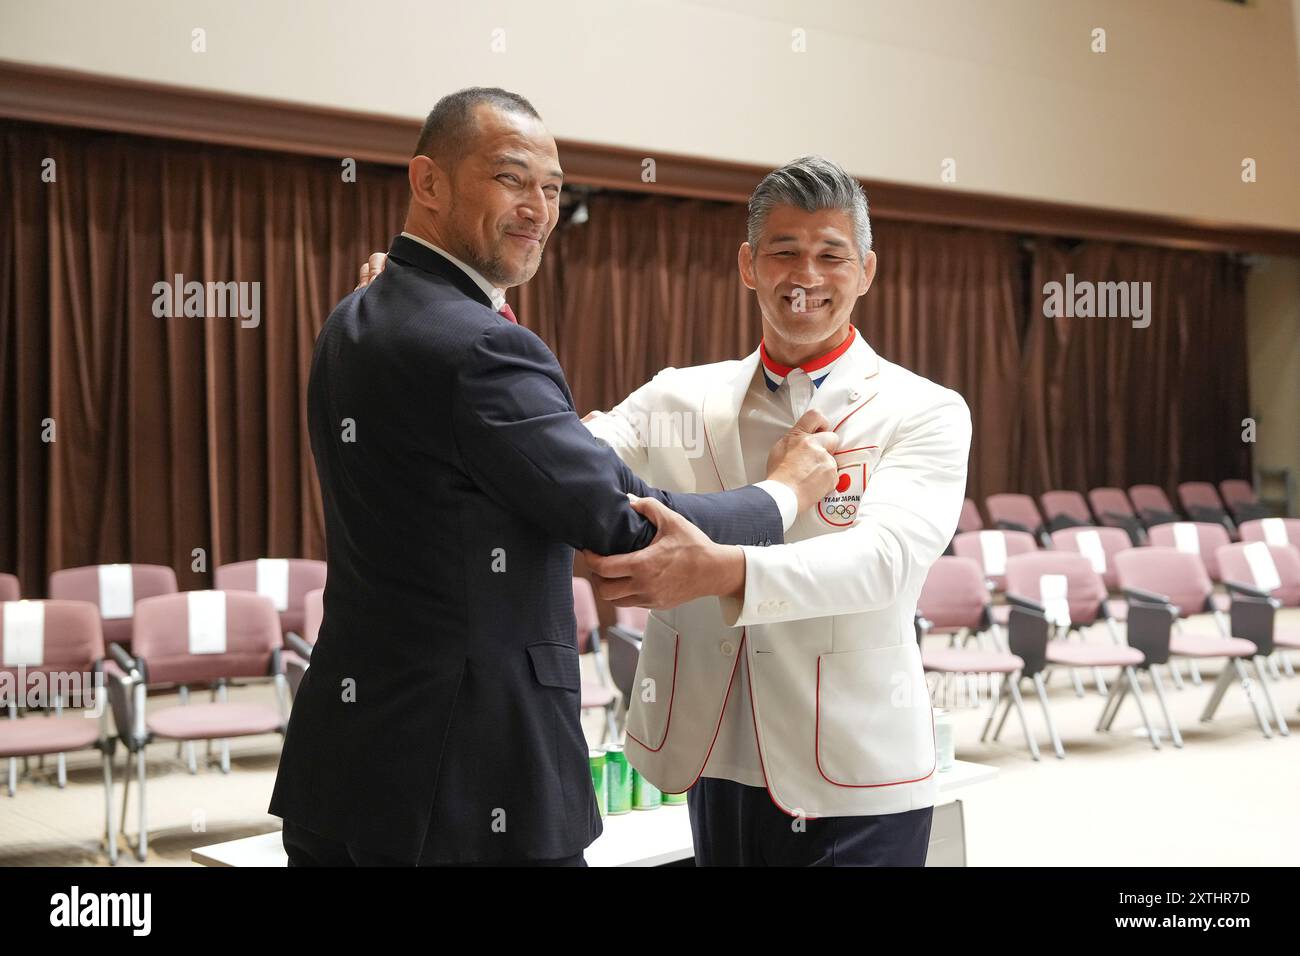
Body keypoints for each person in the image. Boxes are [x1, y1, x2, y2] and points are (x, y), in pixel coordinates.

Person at [269, 89, 838, 866]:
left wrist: (570, 450)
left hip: (347, 770)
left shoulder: (356, 316)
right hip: (469, 785)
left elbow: (484, 478)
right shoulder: (481, 347)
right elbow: (623, 520)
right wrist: (785, 493)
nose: (537, 208)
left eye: (553, 188)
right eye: (511, 179)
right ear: (428, 182)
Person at [582, 157, 972, 865]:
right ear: (748, 265)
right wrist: (459, 321)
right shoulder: (677, 399)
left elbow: (882, 563)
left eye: (831, 255)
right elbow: (558, 460)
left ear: (866, 271)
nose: (807, 276)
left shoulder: (925, 410)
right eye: (784, 251)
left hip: (860, 768)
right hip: (716, 754)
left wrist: (719, 570)